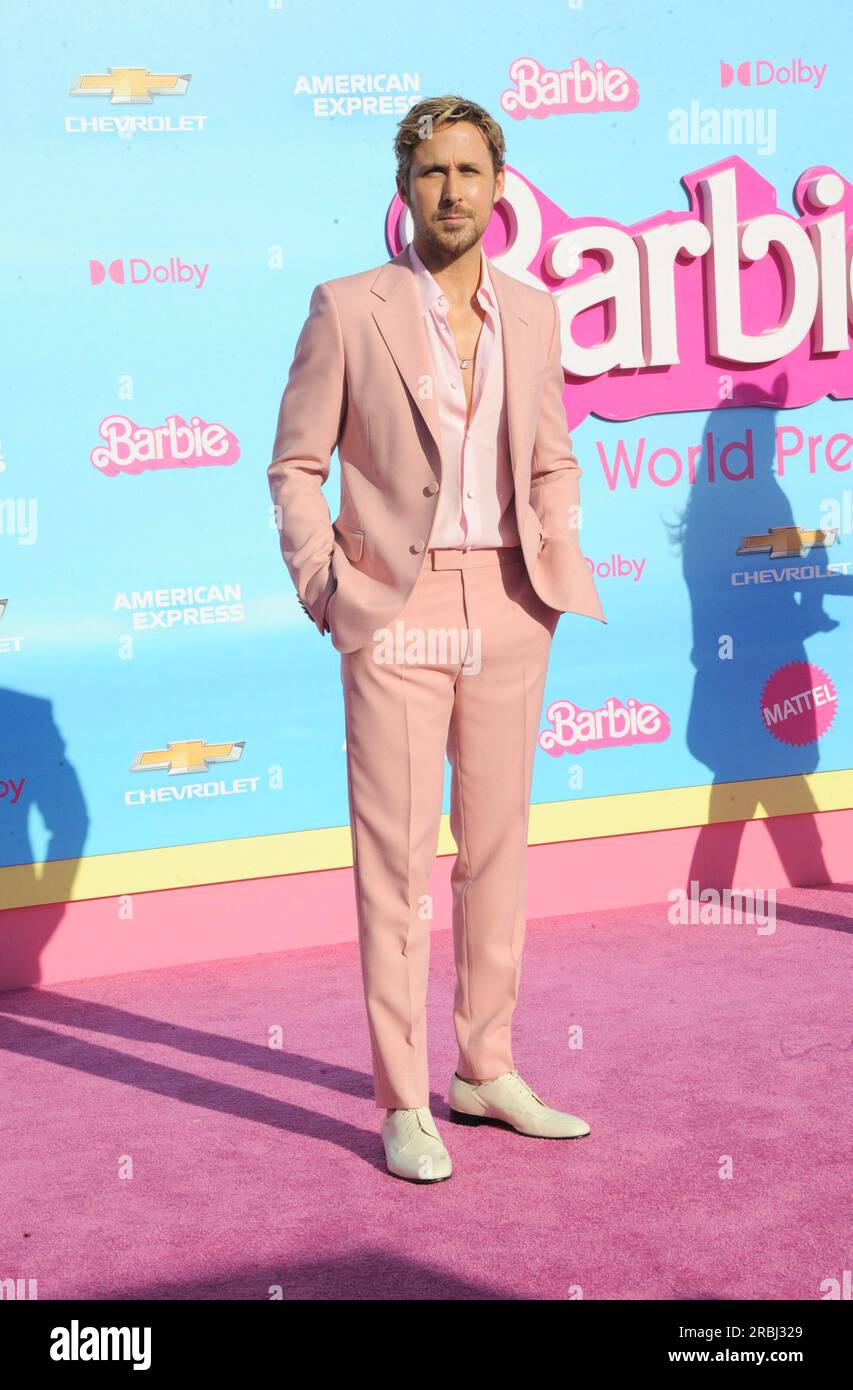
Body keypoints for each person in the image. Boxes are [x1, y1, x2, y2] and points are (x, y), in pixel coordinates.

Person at [268, 95, 606, 1183]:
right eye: (430, 173)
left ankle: (486, 1069)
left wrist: (550, 556)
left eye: (468, 170)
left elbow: (550, 453)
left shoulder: (533, 312)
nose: (451, 191)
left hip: (510, 601)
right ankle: (402, 1098)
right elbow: (295, 465)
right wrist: (331, 589)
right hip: (393, 605)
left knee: (497, 850)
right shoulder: (347, 306)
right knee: (396, 863)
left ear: (500, 184)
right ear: (403, 190)